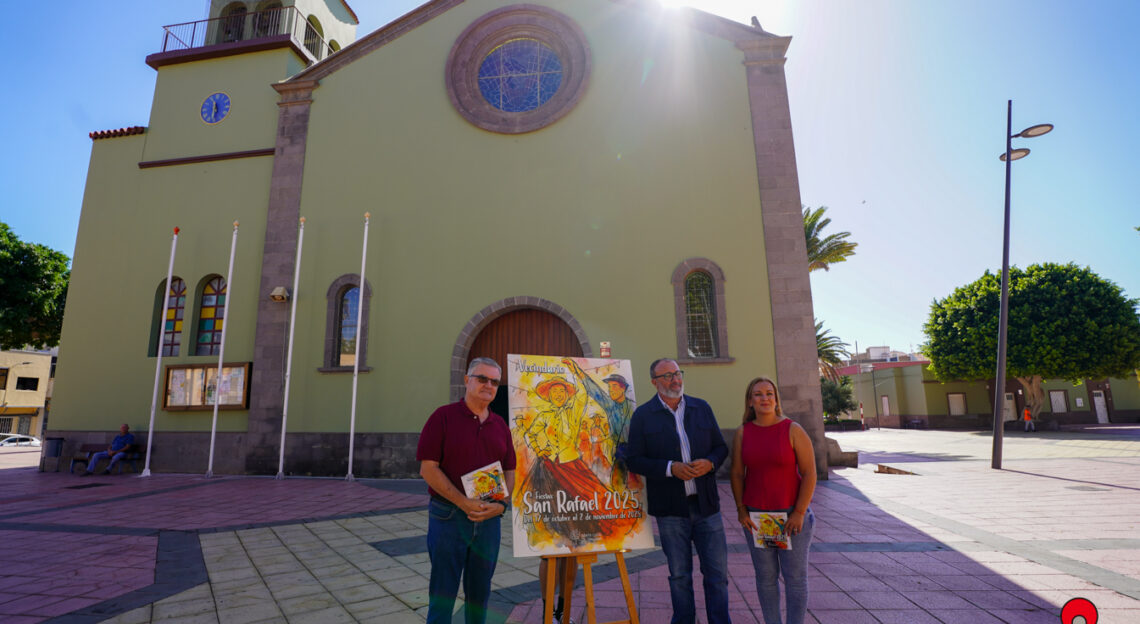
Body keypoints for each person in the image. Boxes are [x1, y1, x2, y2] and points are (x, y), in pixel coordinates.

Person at [626, 358, 730, 624]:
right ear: (654, 382)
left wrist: (710, 463)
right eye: (667, 376)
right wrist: (670, 468)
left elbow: (721, 448)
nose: (675, 380)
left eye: (677, 373)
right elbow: (634, 460)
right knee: (680, 576)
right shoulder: (643, 416)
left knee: (717, 575)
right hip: (670, 510)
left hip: (707, 507)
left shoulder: (701, 408)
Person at [417, 357, 515, 624]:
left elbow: (510, 470)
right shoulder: (443, 417)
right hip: (449, 516)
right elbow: (428, 469)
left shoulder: (500, 425)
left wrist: (502, 505)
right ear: (466, 380)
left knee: (479, 595)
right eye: (482, 378)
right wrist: (463, 502)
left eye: (494, 381)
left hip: (489, 521)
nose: (489, 385)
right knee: (443, 593)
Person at [730, 377, 817, 624]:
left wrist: (799, 512)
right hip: (759, 518)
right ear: (750, 401)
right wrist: (741, 509)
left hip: (791, 517)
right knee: (766, 578)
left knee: (795, 579)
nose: (765, 398)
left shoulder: (792, 429)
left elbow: (810, 473)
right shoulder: (743, 433)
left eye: (769, 393)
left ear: (776, 399)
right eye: (758, 394)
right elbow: (737, 474)